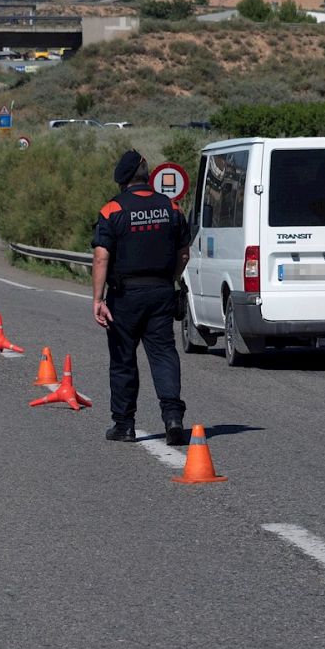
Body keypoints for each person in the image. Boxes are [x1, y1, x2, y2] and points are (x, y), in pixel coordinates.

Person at [92, 150, 190, 446]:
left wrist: (98, 298)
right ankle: (173, 419)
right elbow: (184, 253)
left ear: (122, 180)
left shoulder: (112, 210)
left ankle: (125, 425)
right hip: (161, 291)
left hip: (125, 296)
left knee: (123, 360)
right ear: (147, 177)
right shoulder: (171, 207)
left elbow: (101, 257)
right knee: (163, 354)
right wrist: (168, 280)